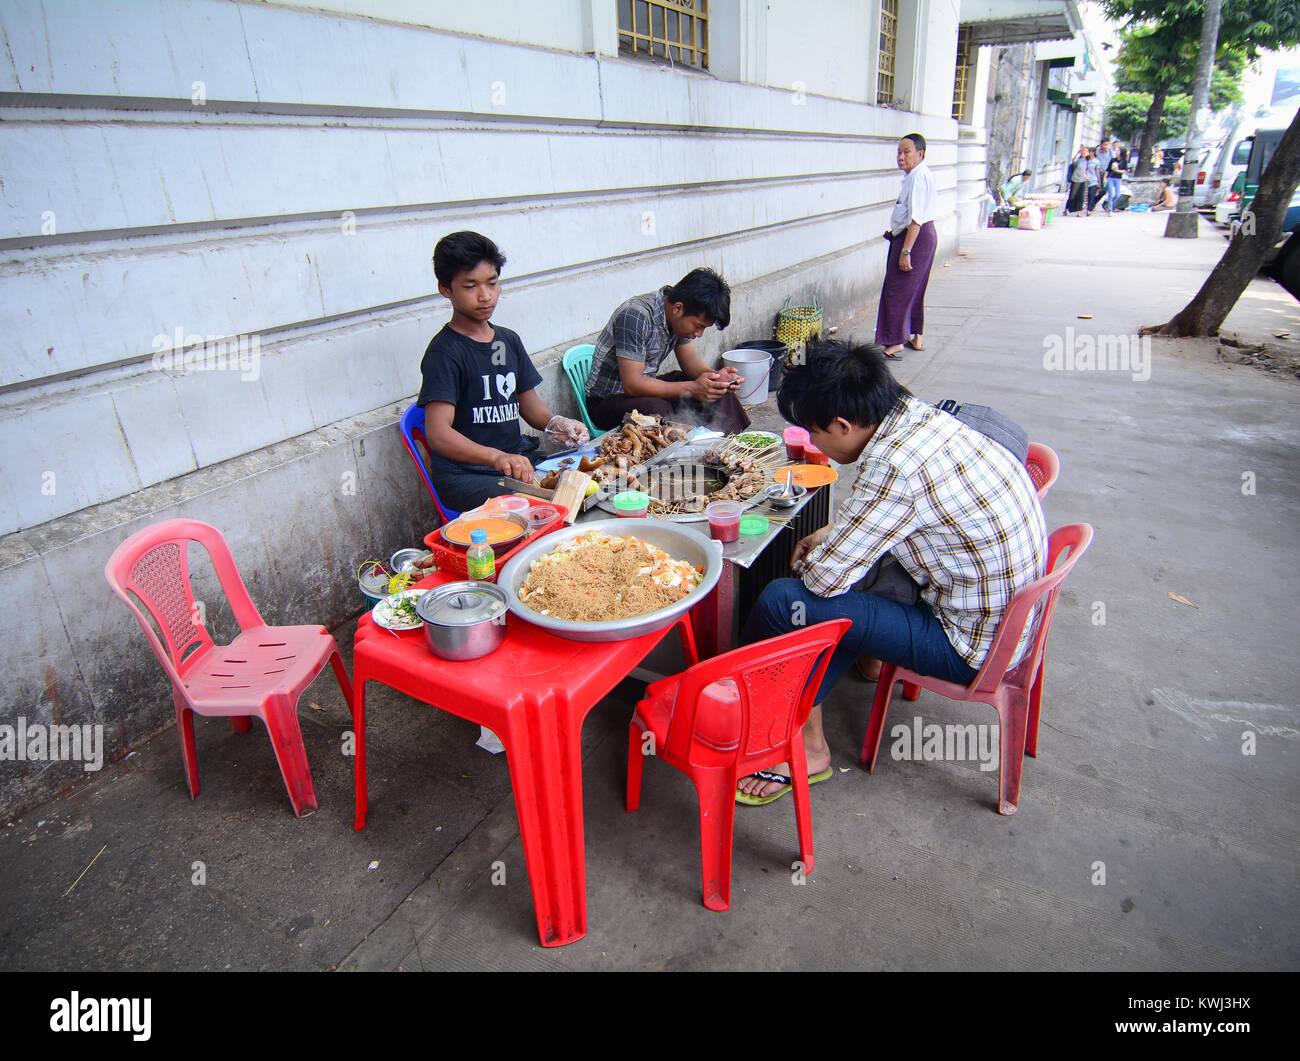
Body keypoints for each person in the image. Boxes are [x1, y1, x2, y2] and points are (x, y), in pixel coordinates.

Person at [733, 339, 1047, 804]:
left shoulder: (893, 466)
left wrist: (826, 553)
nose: (812, 443)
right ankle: (865, 660)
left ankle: (804, 744)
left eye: (813, 433)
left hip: (969, 646)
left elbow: (822, 581)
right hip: (1010, 620)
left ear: (842, 425)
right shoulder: (922, 418)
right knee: (848, 575)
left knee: (787, 601)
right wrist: (838, 536)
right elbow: (907, 515)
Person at [417, 231, 589, 513]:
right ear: (446, 289)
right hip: (468, 476)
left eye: (492, 283)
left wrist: (558, 423)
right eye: (470, 286)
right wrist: (497, 457)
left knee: (585, 482)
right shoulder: (445, 352)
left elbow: (531, 408)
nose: (485, 296)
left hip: (517, 463)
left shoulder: (507, 341)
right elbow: (438, 434)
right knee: (551, 506)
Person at [584, 268, 749, 434]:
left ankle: (731, 446)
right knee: (657, 409)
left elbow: (690, 363)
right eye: (698, 327)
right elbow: (632, 385)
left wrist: (717, 378)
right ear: (678, 308)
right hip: (606, 402)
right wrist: (693, 388)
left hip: (641, 390)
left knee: (714, 389)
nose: (699, 334)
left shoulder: (677, 317)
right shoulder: (635, 316)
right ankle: (678, 453)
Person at [875, 132, 938, 360]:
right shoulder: (916, 175)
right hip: (919, 236)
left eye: (907, 152)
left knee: (897, 289)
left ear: (920, 154)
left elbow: (916, 219)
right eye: (899, 153)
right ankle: (916, 336)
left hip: (915, 238)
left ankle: (895, 341)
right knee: (915, 288)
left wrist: (906, 251)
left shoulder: (918, 177)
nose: (901, 157)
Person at [1066, 147, 1089, 216]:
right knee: (1072, 195)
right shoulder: (1079, 160)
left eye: (1086, 152)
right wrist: (1078, 153)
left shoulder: (1087, 161)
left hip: (1083, 180)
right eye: (1084, 152)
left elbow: (1086, 170)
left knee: (1081, 196)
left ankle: (1079, 211)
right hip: (1075, 179)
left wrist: (1087, 175)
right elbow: (1074, 160)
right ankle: (1067, 209)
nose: (1085, 153)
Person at [1103, 147, 1126, 215]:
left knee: (1117, 194)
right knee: (1111, 193)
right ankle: (1110, 210)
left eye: (1118, 150)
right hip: (1111, 178)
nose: (1117, 152)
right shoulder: (1113, 160)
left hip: (1118, 178)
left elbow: (1124, 171)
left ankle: (1109, 204)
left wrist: (1117, 170)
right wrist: (1105, 178)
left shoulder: (1124, 161)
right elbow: (1108, 170)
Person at [1085, 148, 1102, 215]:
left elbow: (1097, 172)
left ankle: (1089, 209)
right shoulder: (1086, 161)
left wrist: (1099, 181)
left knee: (1092, 194)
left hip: (1093, 180)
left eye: (1091, 152)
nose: (1090, 153)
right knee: (1088, 195)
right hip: (1086, 180)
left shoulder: (1096, 161)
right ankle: (1087, 207)